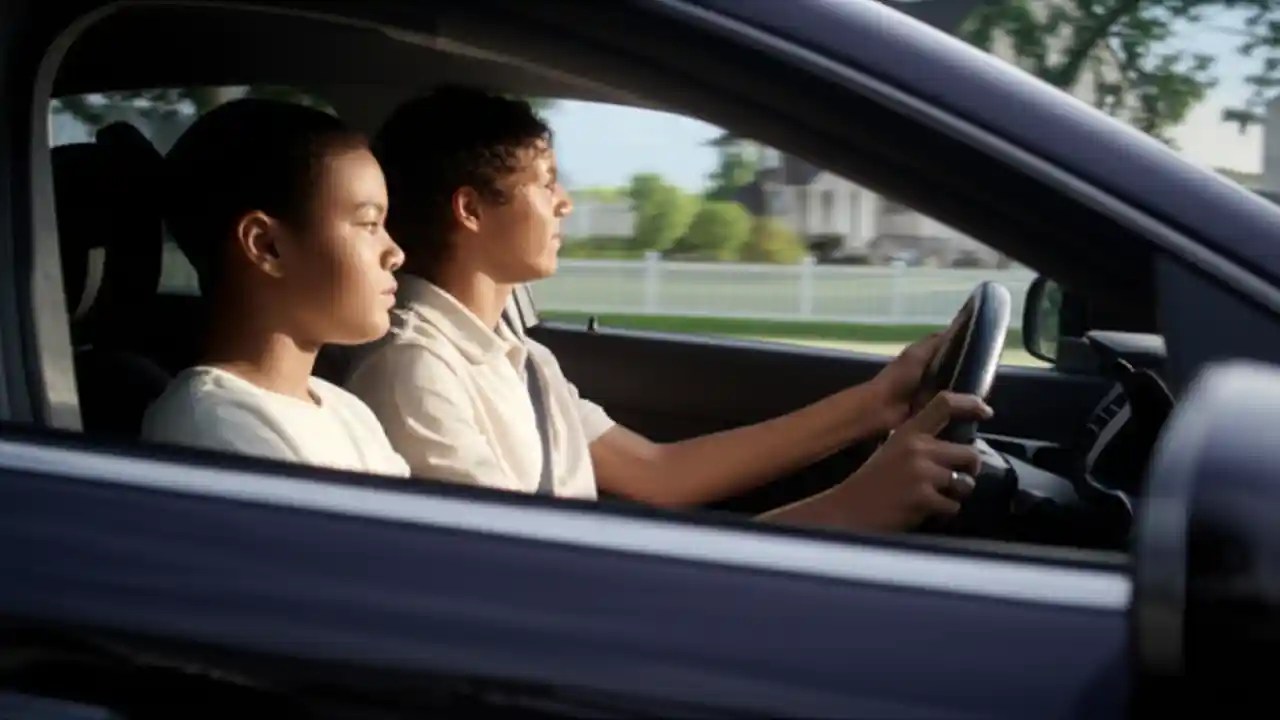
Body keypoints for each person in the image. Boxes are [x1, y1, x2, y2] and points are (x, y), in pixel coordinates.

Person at [341, 86, 991, 533]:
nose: (565, 203)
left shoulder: (521, 359)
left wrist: (873, 404)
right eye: (545, 183)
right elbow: (541, 588)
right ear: (471, 210)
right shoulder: (413, 373)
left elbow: (660, 475)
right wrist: (853, 507)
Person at [140, 98, 411, 478]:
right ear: (267, 246)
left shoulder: (346, 409)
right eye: (369, 224)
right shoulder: (214, 425)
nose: (395, 253)